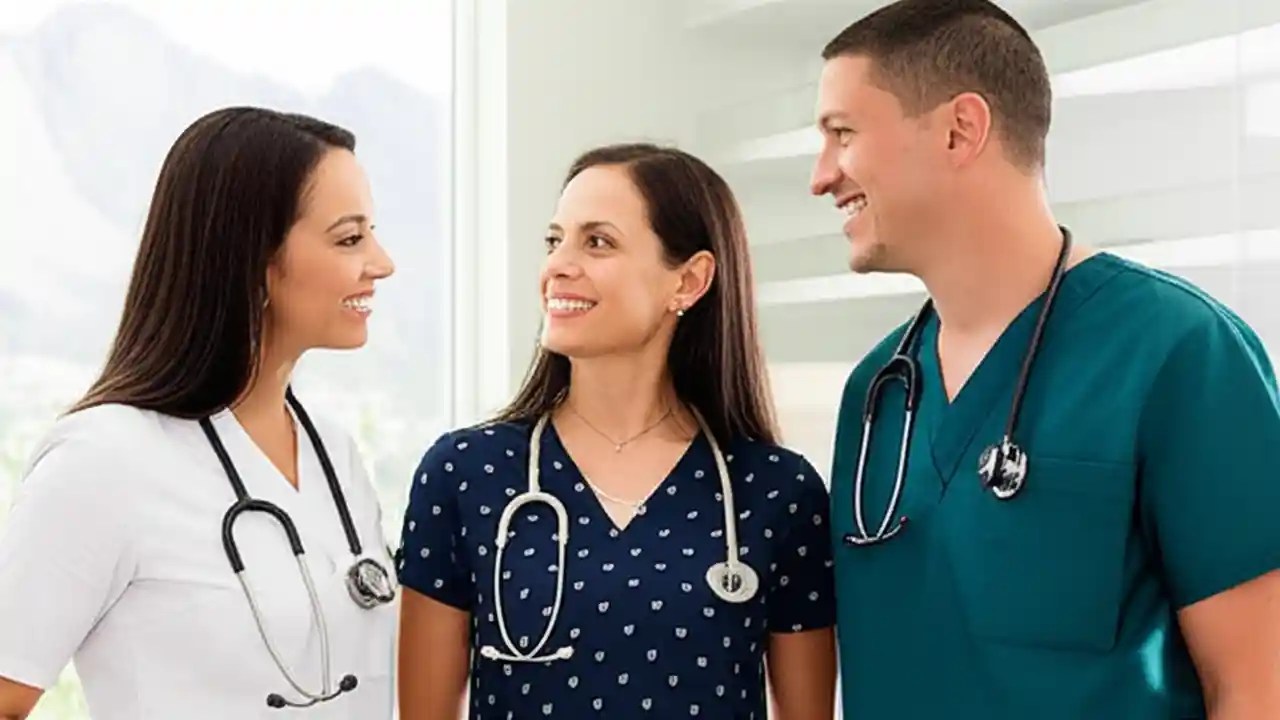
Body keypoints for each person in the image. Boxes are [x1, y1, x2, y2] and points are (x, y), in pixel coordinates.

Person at [810, 0, 1280, 718]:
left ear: (960, 130)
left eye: (842, 134)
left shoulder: (1180, 354)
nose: (820, 176)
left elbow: (1258, 687)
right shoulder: (877, 395)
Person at [396, 143, 837, 719]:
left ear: (689, 281)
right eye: (554, 240)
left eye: (597, 242)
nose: (558, 265)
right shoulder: (465, 473)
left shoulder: (776, 490)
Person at [0, 107, 398, 720]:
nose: (382, 263)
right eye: (349, 239)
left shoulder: (333, 452)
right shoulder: (104, 461)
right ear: (252, 258)